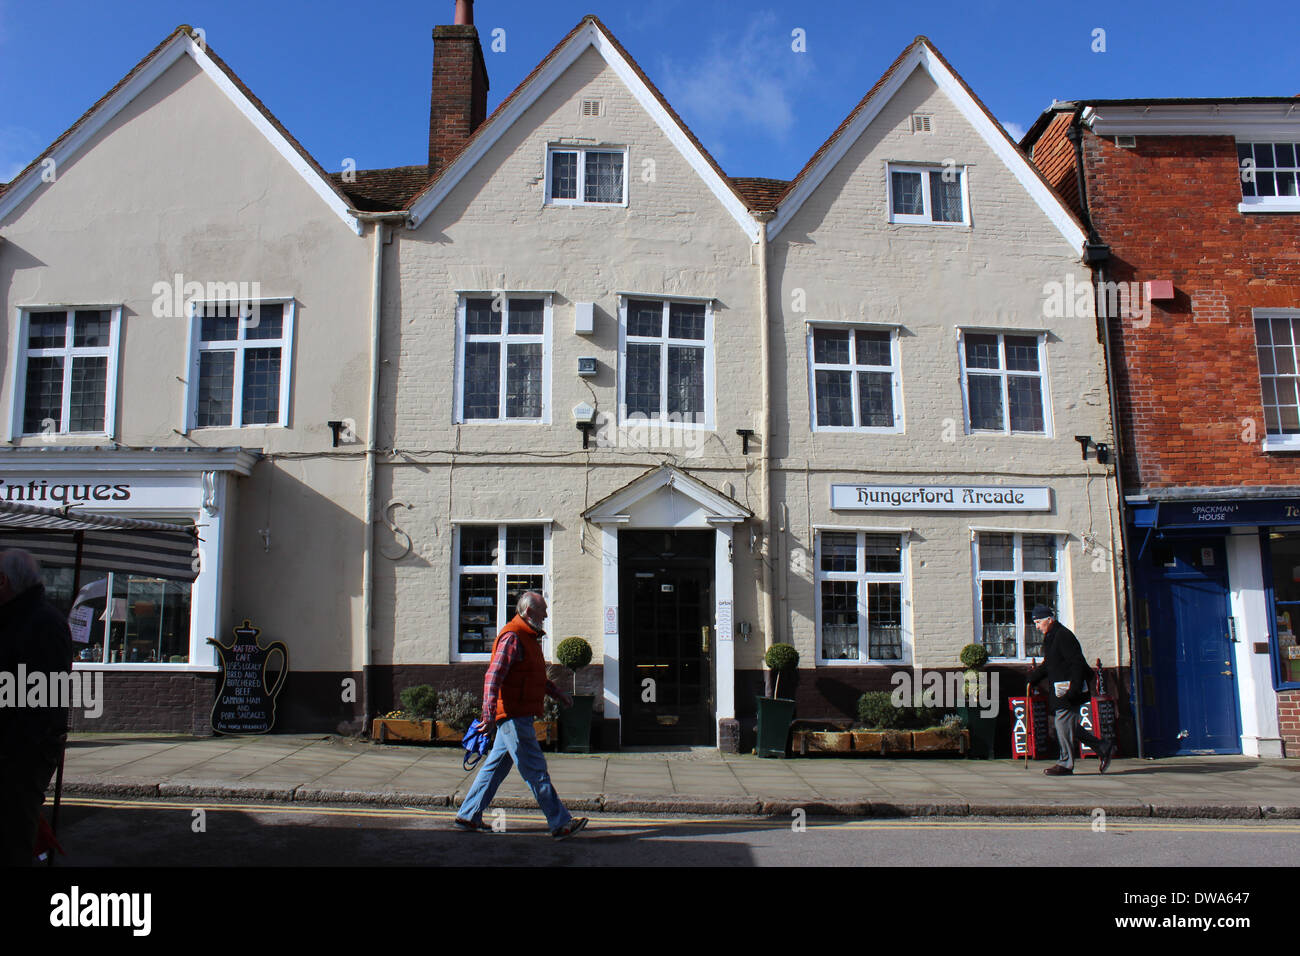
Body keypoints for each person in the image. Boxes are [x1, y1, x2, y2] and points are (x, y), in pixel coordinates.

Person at [454, 591, 588, 839]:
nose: (546, 615)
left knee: (495, 767)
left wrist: (558, 693)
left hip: (518, 714)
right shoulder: (513, 637)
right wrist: (489, 714)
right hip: (514, 715)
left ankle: (468, 815)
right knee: (535, 769)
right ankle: (560, 822)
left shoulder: (528, 638)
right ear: (528, 612)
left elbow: (535, 677)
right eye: (543, 610)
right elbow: (492, 677)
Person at [0, 550, 74, 865]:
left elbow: (43, 698)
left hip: (18, 756)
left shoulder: (39, 623)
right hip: (21, 750)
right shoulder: (23, 618)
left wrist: (30, 748)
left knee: (12, 838)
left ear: (3, 581)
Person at [1025, 604, 1116, 775]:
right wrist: (1033, 678)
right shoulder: (1051, 636)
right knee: (1068, 725)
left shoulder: (1064, 636)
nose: (1037, 626)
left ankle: (1065, 763)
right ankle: (1103, 747)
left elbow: (1077, 663)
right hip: (1060, 689)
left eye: (1038, 622)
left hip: (1068, 690)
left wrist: (1074, 689)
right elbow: (1049, 664)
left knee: (1062, 724)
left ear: (1049, 619)